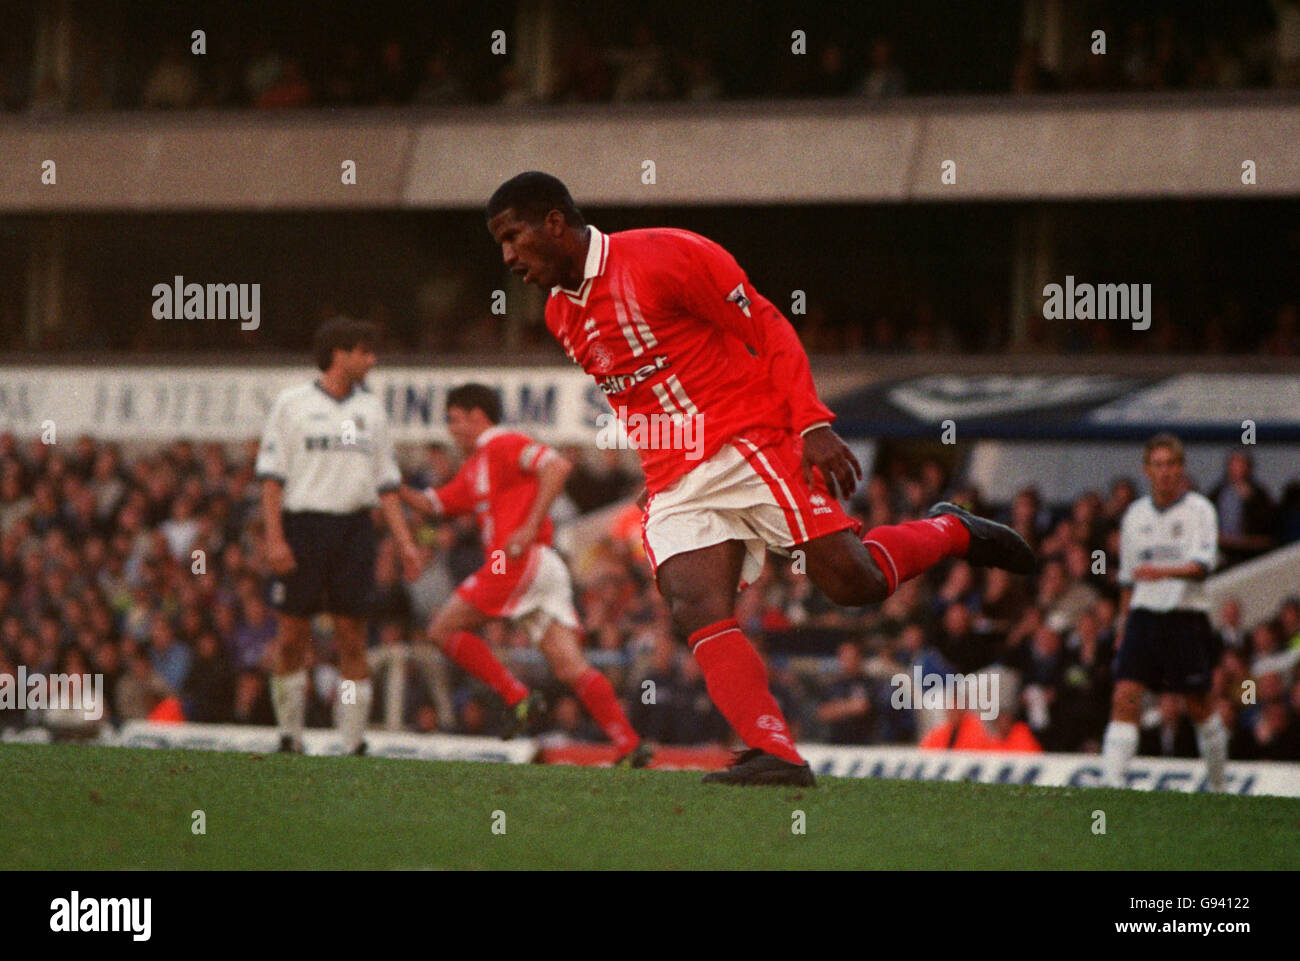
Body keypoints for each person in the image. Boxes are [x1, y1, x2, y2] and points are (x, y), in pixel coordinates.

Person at [485, 171, 1036, 785]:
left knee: (855, 582)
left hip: (748, 441)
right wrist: (656, 462)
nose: (508, 258)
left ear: (553, 223)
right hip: (677, 475)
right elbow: (636, 396)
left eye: (512, 237)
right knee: (694, 604)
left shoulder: (666, 255)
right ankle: (774, 750)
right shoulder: (563, 315)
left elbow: (768, 327)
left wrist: (812, 424)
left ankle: (951, 530)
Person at [400, 383, 650, 766]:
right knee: (569, 664)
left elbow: (558, 465)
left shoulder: (504, 444)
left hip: (517, 562)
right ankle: (629, 744)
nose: (450, 431)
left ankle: (516, 696)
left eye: (453, 420)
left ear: (476, 416)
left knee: (440, 630)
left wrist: (529, 525)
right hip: (541, 566)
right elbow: (433, 503)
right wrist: (387, 485)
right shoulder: (477, 466)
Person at [255, 317, 421, 755]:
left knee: (351, 636)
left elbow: (386, 483)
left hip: (353, 529)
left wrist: (404, 542)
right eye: (364, 351)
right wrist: (274, 539)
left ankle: (352, 742)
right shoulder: (291, 404)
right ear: (339, 354)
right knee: (292, 637)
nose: (372, 359)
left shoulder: (373, 410)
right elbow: (271, 478)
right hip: (303, 526)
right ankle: (290, 736)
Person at [1101, 433, 1227, 790]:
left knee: (1199, 705)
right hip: (1144, 616)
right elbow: (1128, 580)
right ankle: (1111, 787)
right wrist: (1123, 626)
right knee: (1125, 695)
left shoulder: (1200, 510)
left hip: (1186, 614)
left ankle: (1220, 787)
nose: (1165, 472)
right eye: (1157, 465)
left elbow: (1203, 566)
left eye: (1171, 464)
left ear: (1181, 468)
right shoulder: (1135, 515)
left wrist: (1163, 571)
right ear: (1147, 470)